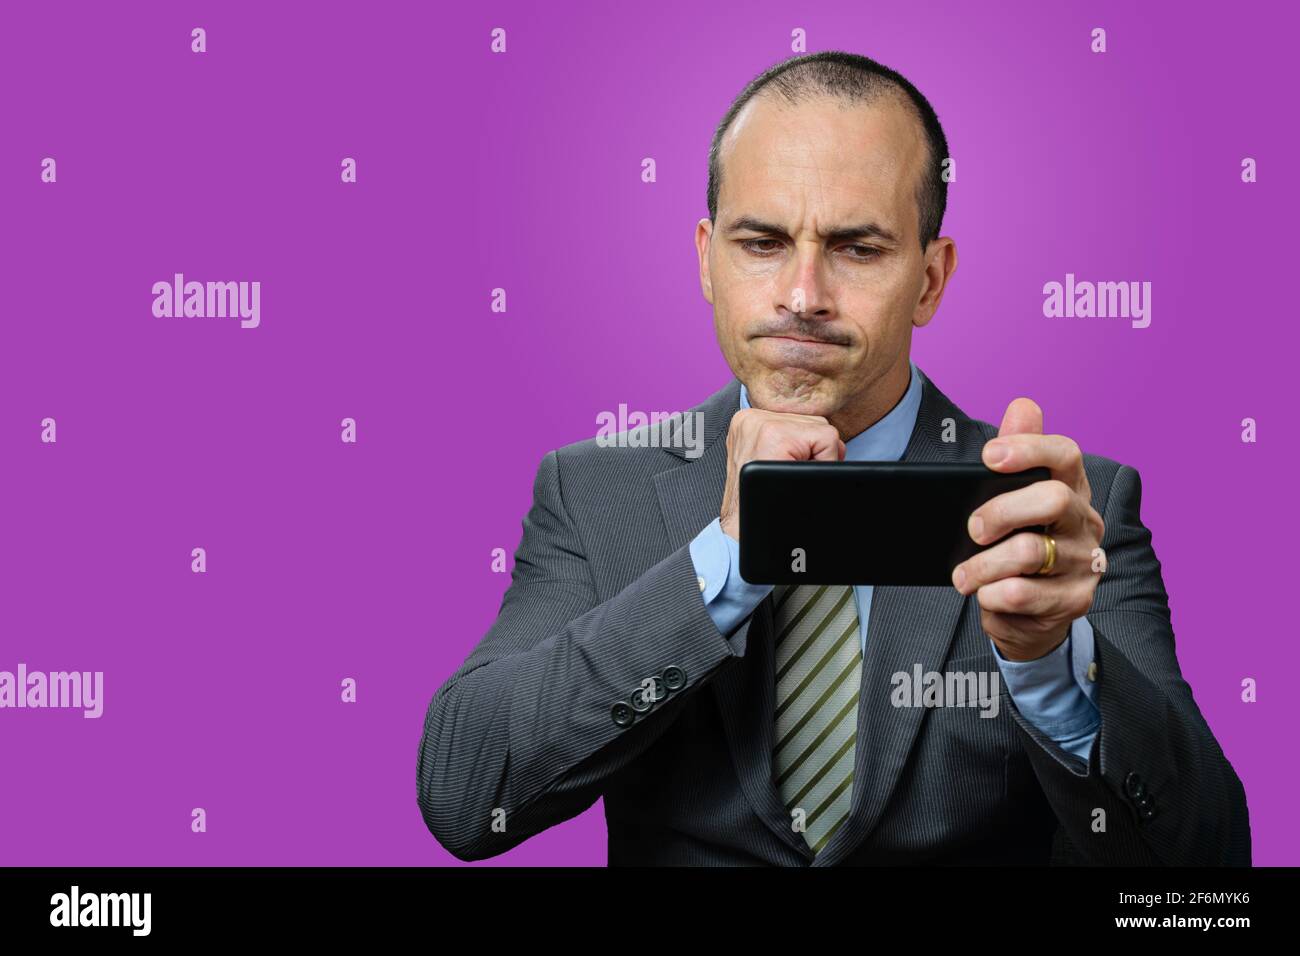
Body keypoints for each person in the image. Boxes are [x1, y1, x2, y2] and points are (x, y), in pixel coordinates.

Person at [416, 51, 1250, 866]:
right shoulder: (597, 491)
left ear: (931, 278)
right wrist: (725, 562)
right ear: (707, 258)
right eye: (762, 242)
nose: (803, 295)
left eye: (858, 248)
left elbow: (1211, 862)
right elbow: (464, 794)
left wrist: (1050, 666)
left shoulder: (1054, 509)